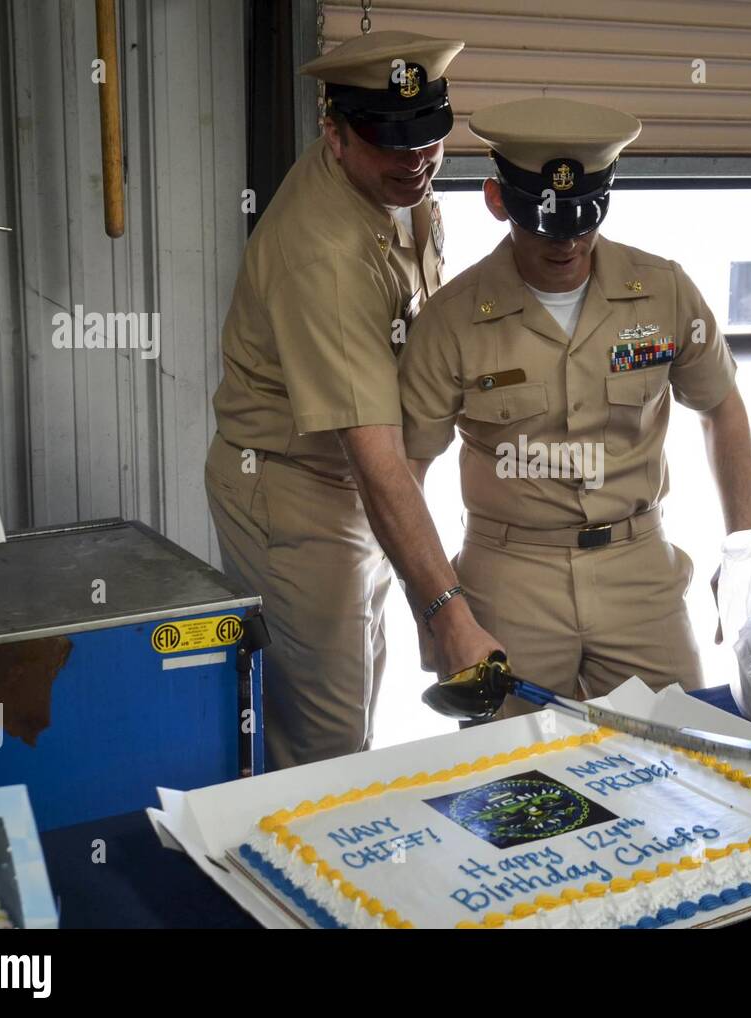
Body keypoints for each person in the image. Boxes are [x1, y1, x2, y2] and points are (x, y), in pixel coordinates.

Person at [399, 97, 751, 714]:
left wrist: (746, 551)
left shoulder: (664, 291)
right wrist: (439, 606)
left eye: (582, 222)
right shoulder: (452, 320)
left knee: (687, 754)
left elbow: (722, 407)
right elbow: (405, 469)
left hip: (640, 570)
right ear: (496, 201)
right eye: (544, 225)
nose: (566, 243)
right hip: (509, 578)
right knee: (513, 779)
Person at [206, 30, 499, 768]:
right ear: (333, 136)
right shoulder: (323, 257)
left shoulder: (407, 194)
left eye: (429, 137)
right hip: (295, 489)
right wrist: (447, 611)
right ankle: (290, 867)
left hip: (358, 475)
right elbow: (374, 461)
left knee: (361, 694)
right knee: (325, 738)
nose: (416, 161)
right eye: (391, 143)